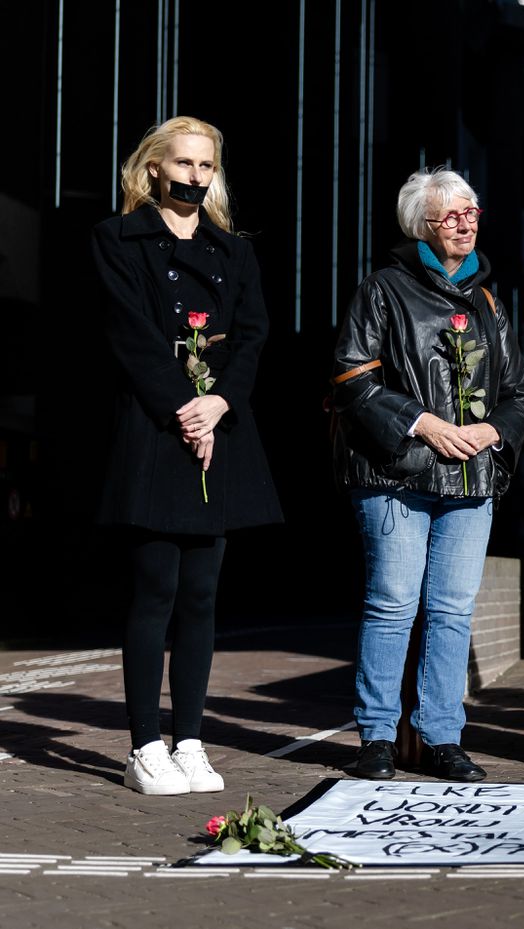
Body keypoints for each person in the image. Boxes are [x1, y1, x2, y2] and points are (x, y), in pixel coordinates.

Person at [91, 116, 282, 795]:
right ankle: (145, 746)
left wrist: (219, 404)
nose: (195, 177)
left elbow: (253, 336)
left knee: (202, 594)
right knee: (156, 588)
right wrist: (184, 407)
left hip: (219, 429)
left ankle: (191, 739)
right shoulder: (118, 239)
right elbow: (131, 334)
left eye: (206, 166)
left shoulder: (234, 251)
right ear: (152, 168)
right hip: (155, 426)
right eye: (184, 164)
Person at [332, 167, 524, 783]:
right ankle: (376, 737)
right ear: (422, 225)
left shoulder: (491, 300)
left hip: (472, 479)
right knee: (392, 606)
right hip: (397, 473)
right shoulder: (383, 289)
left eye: (472, 213)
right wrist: (421, 423)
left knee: (451, 612)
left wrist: (492, 432)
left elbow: (520, 394)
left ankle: (443, 737)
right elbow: (350, 377)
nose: (466, 224)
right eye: (452, 216)